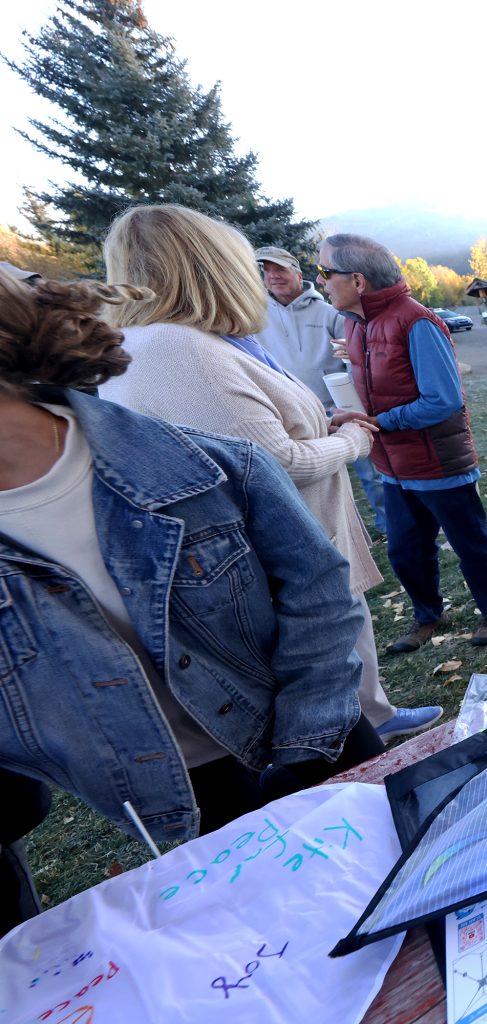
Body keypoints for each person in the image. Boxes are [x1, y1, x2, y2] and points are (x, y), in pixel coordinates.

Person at [0, 272, 383, 932]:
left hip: (314, 742)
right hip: (185, 802)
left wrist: (303, 750)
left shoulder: (209, 470)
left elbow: (319, 594)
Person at [96, 205, 441, 740]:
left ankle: (376, 716)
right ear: (212, 266)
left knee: (349, 635)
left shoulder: (193, 340)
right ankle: (358, 737)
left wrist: (326, 418)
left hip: (300, 548)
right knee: (328, 675)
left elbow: (240, 428)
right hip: (288, 556)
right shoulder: (175, 348)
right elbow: (272, 464)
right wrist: (351, 439)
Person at [317, 232, 487, 652]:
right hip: (392, 465)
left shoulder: (417, 321)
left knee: (469, 544)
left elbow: (443, 400)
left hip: (438, 463)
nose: (320, 282)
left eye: (324, 272)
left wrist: (379, 421)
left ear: (357, 280)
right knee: (405, 551)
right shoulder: (357, 326)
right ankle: (427, 614)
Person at [252, 244, 389, 537]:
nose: (274, 276)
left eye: (280, 269)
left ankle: (388, 525)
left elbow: (356, 358)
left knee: (372, 473)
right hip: (291, 412)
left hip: (339, 408)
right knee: (314, 480)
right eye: (267, 270)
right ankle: (333, 534)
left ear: (297, 273)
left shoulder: (330, 312)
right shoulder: (256, 317)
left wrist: (356, 400)